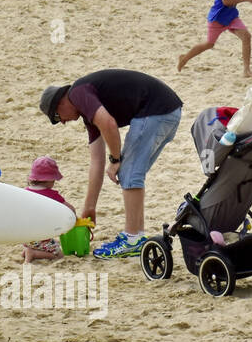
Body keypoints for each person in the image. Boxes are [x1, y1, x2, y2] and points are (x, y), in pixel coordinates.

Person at [39, 69, 182, 259]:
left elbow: (109, 124)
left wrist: (115, 160)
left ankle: (131, 239)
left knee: (129, 173)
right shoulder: (88, 113)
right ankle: (137, 237)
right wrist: (90, 206)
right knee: (132, 175)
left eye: (57, 117)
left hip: (155, 109)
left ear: (61, 101)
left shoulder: (77, 94)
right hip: (168, 110)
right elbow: (96, 162)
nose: (62, 122)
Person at [22, 156, 74, 263]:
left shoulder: (25, 192)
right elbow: (70, 209)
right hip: (41, 237)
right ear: (50, 180)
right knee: (58, 254)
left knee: (47, 242)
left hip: (24, 237)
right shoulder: (51, 195)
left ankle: (27, 250)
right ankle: (34, 253)